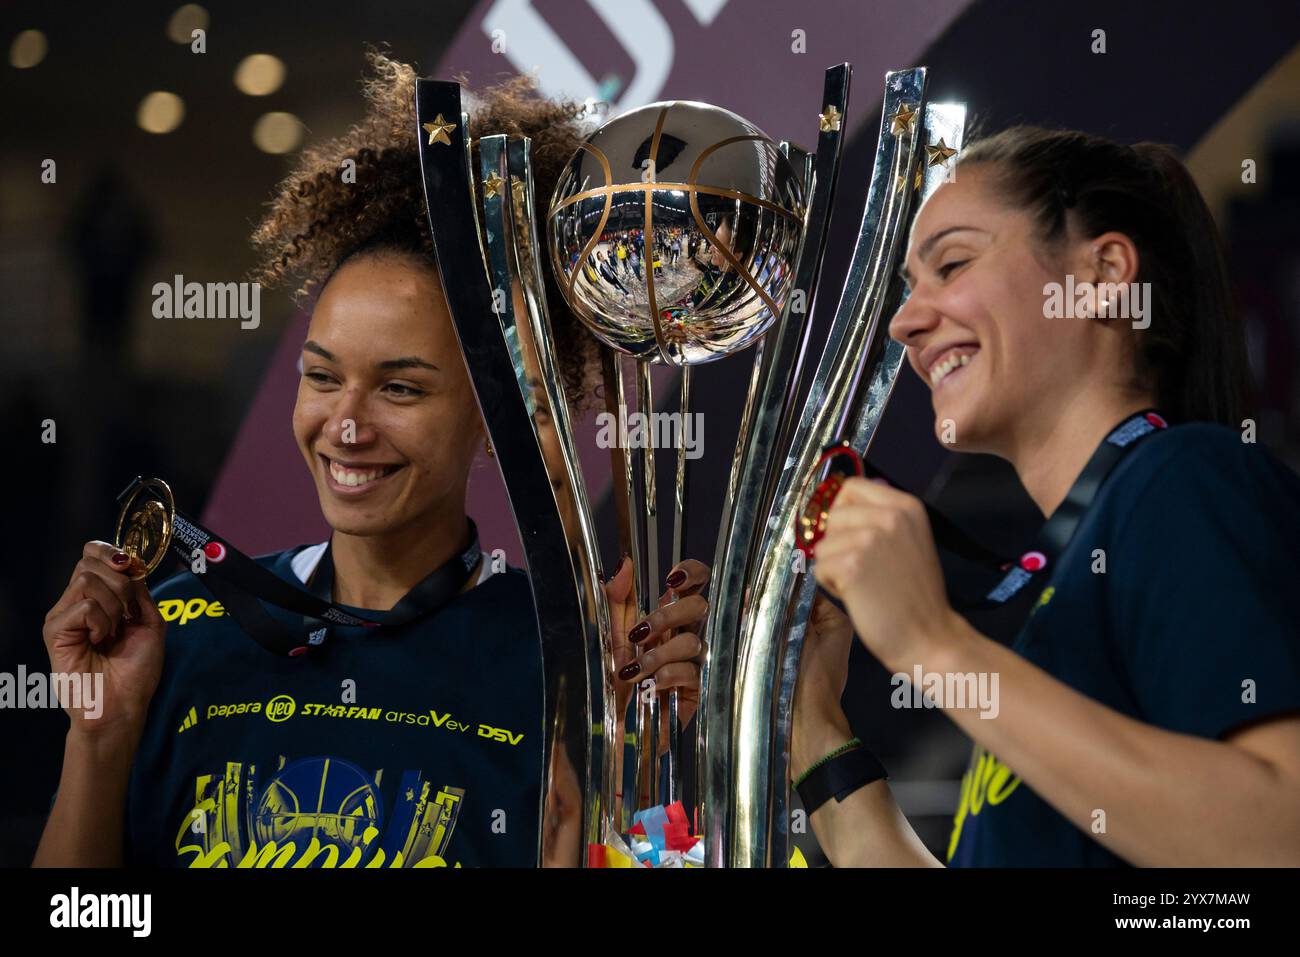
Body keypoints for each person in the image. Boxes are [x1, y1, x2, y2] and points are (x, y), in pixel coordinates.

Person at [34, 52, 707, 869]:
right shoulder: (175, 634)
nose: (345, 425)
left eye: (400, 389)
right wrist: (98, 736)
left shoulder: (567, 666)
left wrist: (658, 741)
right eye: (322, 377)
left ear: (495, 425)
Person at [792, 126, 1300, 867]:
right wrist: (812, 725)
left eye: (953, 263)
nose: (905, 321)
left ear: (1101, 273)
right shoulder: (1067, 598)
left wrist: (933, 645)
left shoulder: (1185, 478)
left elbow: (1277, 838)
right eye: (909, 287)